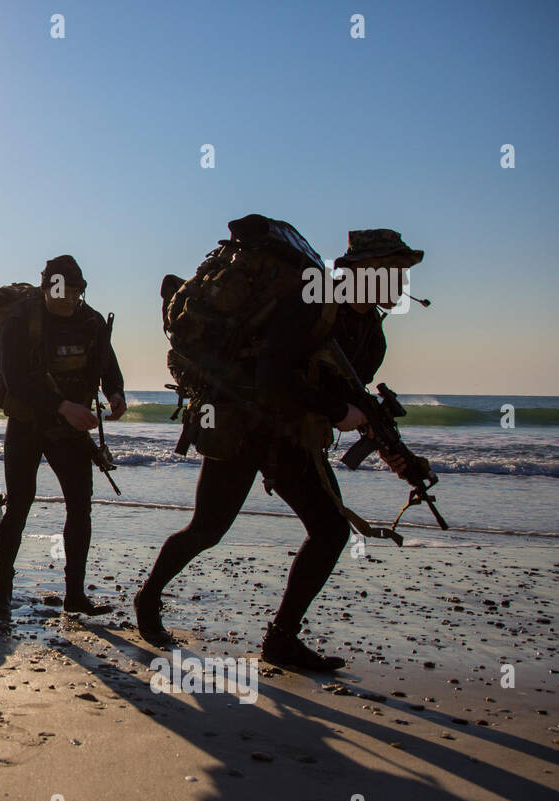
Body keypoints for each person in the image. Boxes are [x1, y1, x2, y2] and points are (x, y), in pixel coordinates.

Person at [133, 230, 422, 671]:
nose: (402, 282)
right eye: (395, 270)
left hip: (291, 434)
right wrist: (334, 408)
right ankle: (148, 598)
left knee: (330, 530)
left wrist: (390, 448)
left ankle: (281, 639)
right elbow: (272, 376)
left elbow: (351, 398)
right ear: (363, 270)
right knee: (208, 529)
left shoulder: (371, 336)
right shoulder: (311, 301)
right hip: (243, 421)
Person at [0, 255, 126, 616]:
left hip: (70, 432)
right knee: (19, 504)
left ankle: (75, 596)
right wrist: (63, 406)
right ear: (45, 288)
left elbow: (107, 363)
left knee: (80, 507)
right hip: (27, 423)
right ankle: (0, 595)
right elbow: (15, 378)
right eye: (57, 294)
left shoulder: (91, 322)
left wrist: (116, 393)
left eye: (72, 294)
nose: (64, 302)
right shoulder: (20, 321)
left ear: (81, 291)